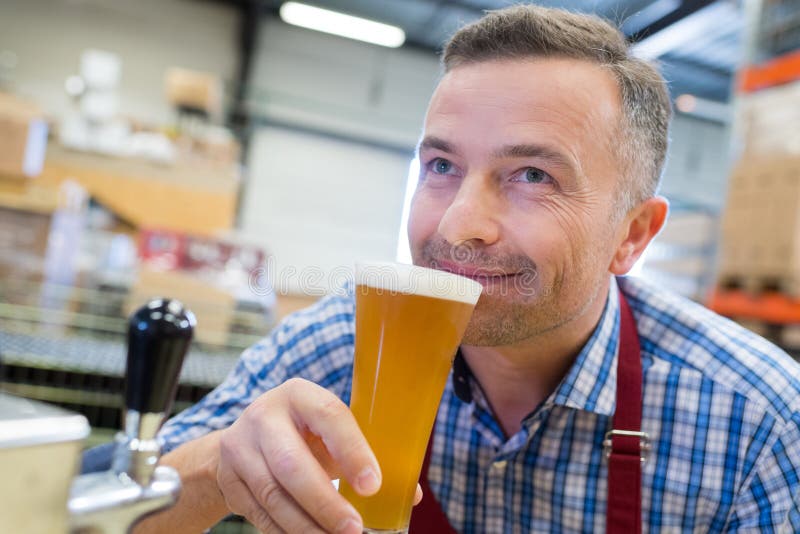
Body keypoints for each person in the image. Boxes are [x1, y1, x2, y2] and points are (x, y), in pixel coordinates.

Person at [126, 5, 800, 532]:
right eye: (442, 167)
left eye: (532, 175)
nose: (456, 225)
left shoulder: (760, 419)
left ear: (632, 235)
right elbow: (95, 515)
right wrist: (215, 468)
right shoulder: (353, 338)